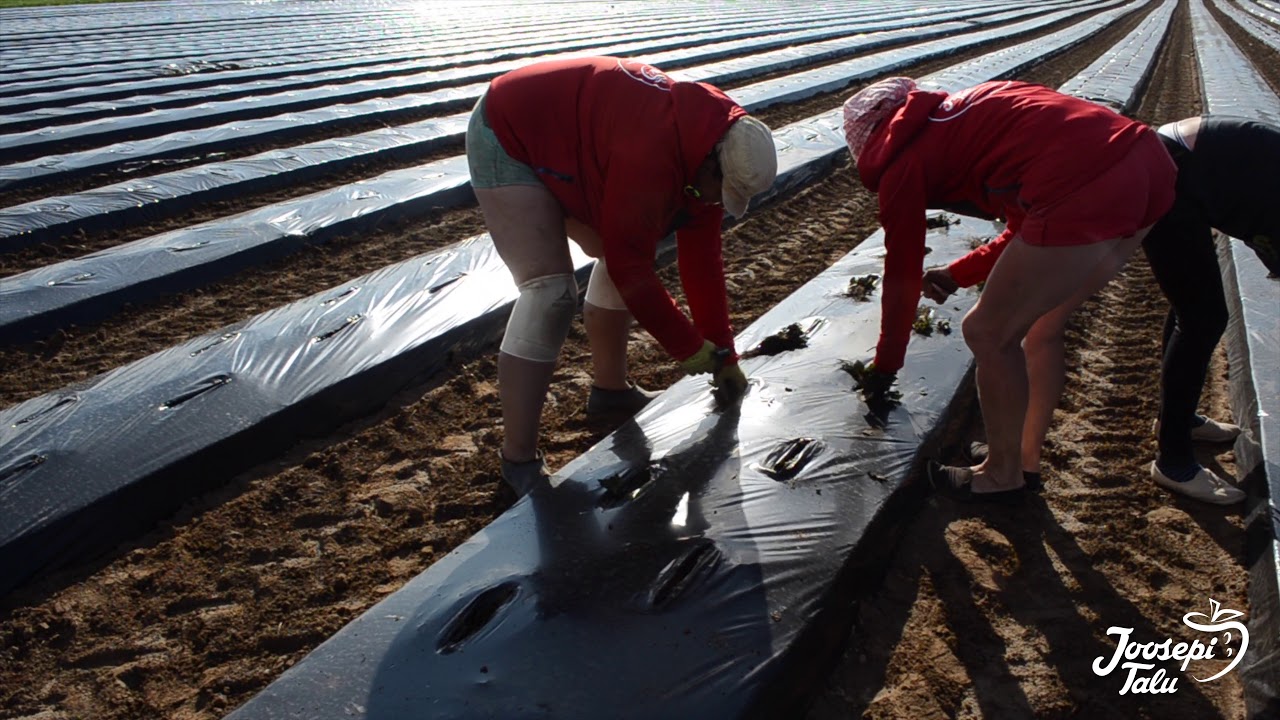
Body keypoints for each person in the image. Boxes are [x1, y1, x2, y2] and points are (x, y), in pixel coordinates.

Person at [841, 77, 1176, 500]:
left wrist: (886, 365)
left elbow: (902, 272)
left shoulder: (904, 162)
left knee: (987, 332)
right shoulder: (969, 111)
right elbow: (1026, 222)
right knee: (1043, 326)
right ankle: (1021, 459)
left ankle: (1001, 475)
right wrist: (957, 273)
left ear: (869, 139)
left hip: (1087, 184)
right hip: (1148, 161)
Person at [923, 115, 1280, 505]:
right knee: (1197, 317)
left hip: (1175, 167)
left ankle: (1176, 422)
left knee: (1195, 310)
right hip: (1173, 172)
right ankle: (1173, 459)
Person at [466, 56, 778, 497]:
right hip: (511, 131)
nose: (717, 202)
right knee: (550, 292)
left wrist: (724, 352)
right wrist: (690, 350)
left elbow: (702, 262)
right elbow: (632, 270)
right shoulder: (651, 155)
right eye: (721, 192)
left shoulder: (714, 140)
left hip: (580, 139)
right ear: (710, 168)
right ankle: (517, 460)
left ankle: (610, 389)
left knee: (627, 251)